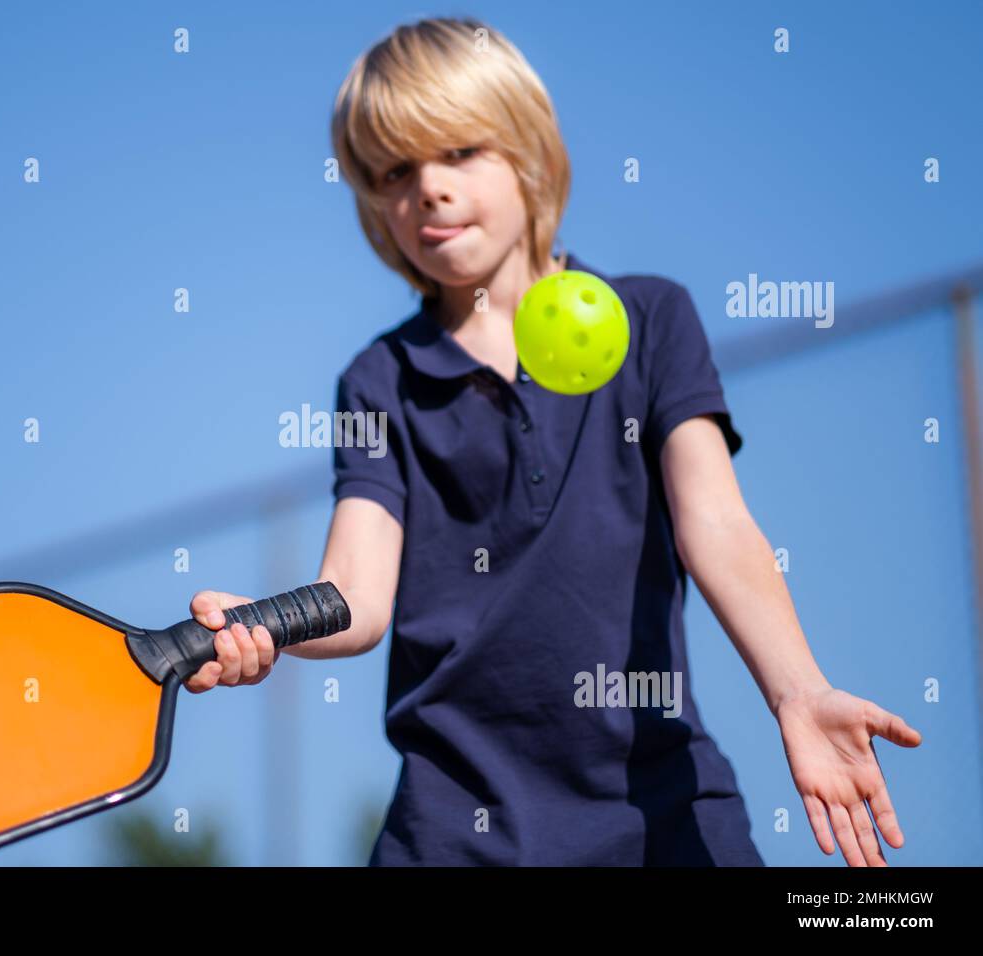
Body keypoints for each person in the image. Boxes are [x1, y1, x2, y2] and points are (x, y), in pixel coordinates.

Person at [183, 16, 922, 866]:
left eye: (460, 151)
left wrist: (801, 692)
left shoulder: (653, 319)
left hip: (664, 812)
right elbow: (354, 592)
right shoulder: (375, 381)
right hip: (453, 831)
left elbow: (715, 522)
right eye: (396, 170)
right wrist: (265, 625)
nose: (428, 187)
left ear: (530, 157)